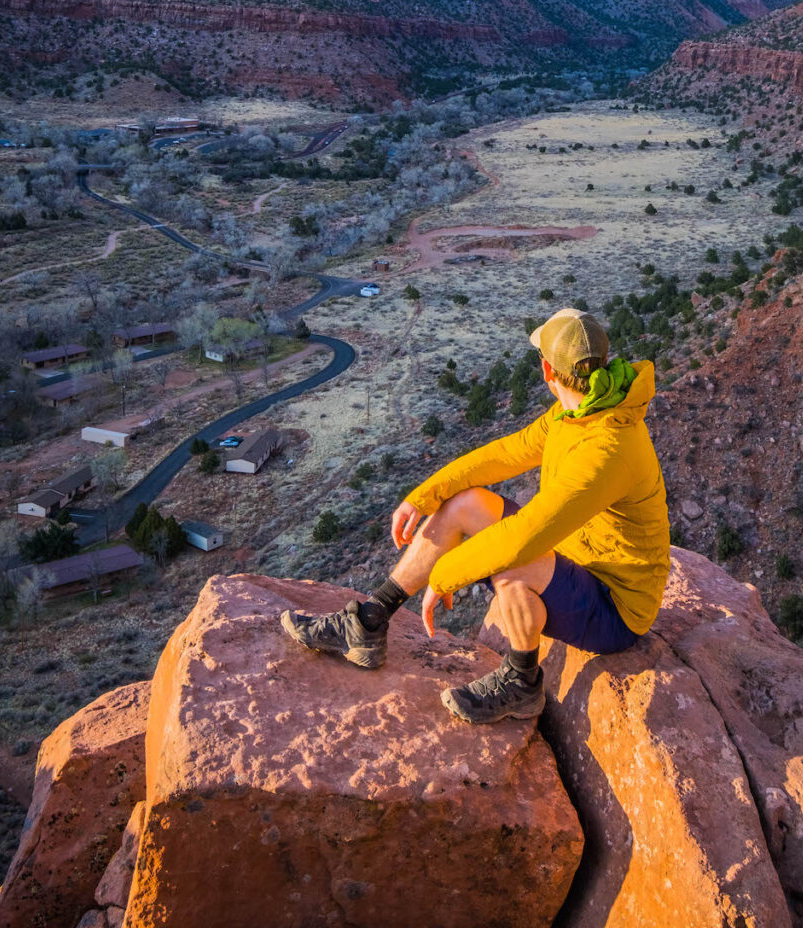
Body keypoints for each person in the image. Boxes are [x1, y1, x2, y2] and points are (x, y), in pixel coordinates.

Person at [281, 307, 670, 724]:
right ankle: (369, 621)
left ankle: (522, 682)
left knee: (511, 562)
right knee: (466, 504)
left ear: (546, 371)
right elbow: (505, 454)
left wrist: (447, 574)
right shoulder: (579, 413)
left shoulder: (608, 448)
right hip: (575, 560)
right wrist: (424, 496)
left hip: (614, 610)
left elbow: (526, 536)